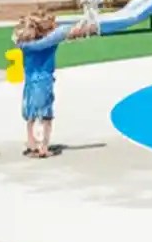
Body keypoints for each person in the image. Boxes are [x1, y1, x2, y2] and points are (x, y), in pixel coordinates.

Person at [14, 10, 95, 158]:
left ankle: (32, 143)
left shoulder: (25, 44)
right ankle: (43, 147)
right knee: (45, 115)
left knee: (31, 113)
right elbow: (64, 33)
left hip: (30, 81)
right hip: (44, 80)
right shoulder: (49, 43)